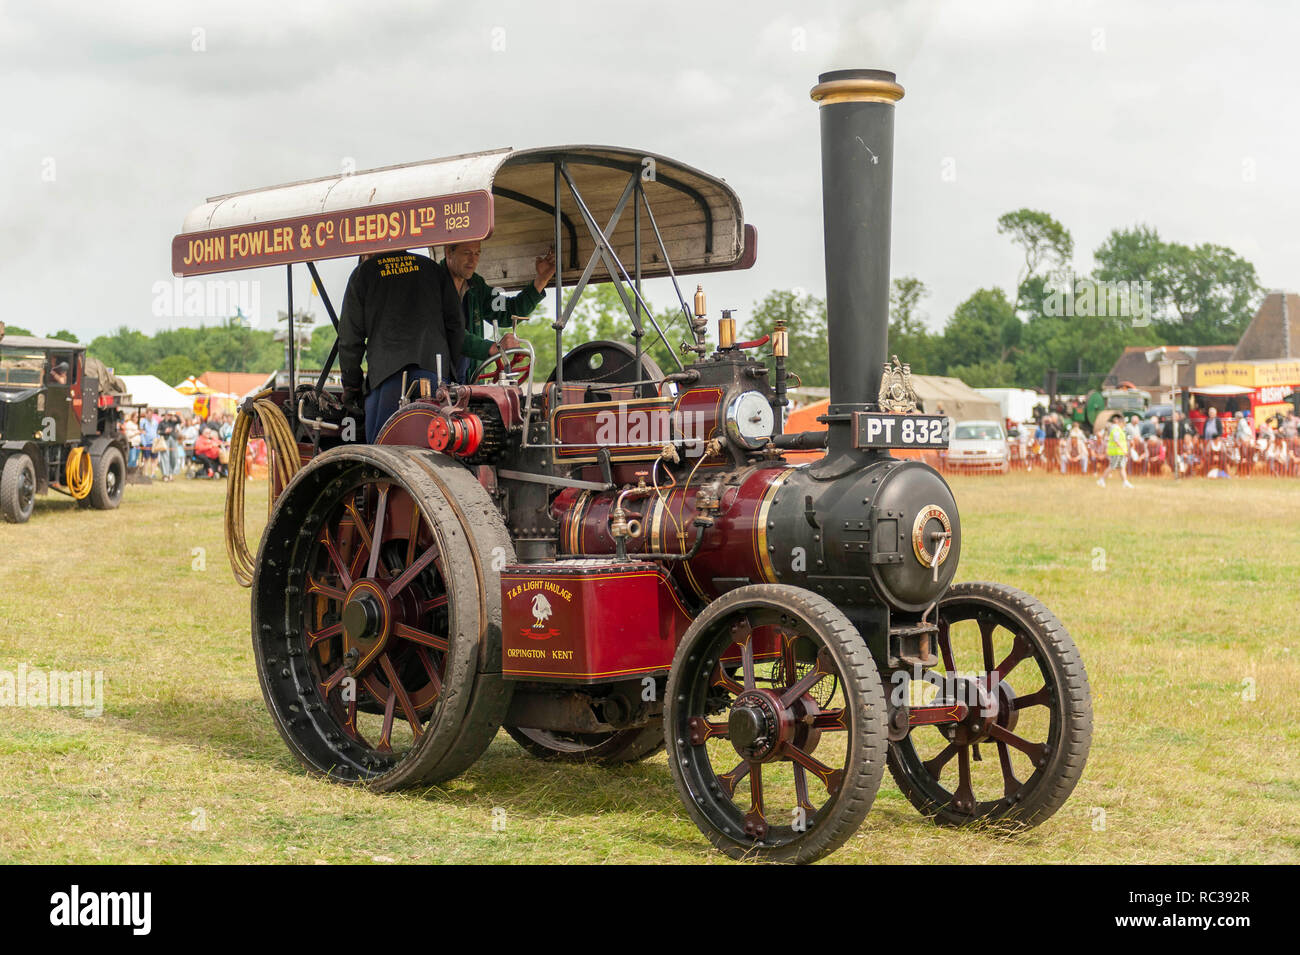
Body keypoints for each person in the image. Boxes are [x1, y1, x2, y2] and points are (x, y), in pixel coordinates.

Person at [339, 249, 465, 443]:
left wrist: (352, 385)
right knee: (442, 448)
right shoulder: (432, 269)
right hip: (434, 375)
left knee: (380, 455)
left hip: (385, 378)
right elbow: (456, 327)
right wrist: (450, 374)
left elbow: (349, 339)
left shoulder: (363, 273)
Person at [439, 241, 555, 381]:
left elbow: (508, 311)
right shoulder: (433, 282)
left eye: (477, 253)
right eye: (467, 253)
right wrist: (491, 347)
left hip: (470, 383)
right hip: (438, 382)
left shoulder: (476, 285)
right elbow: (450, 331)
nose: (473, 260)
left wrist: (541, 280)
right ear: (448, 252)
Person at [1098, 416, 1133, 488]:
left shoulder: (1119, 429)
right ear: (1121, 422)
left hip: (1119, 452)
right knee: (1111, 467)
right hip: (1116, 452)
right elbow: (1116, 440)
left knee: (1122, 467)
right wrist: (1123, 449)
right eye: (1124, 423)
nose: (1125, 425)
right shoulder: (1116, 429)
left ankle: (1125, 482)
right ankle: (1101, 480)